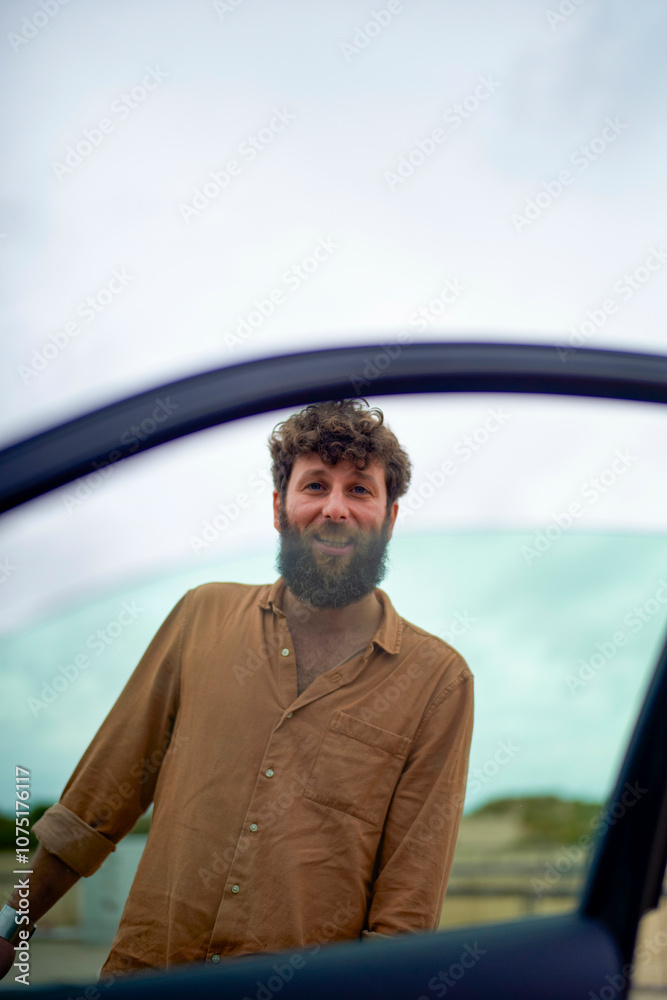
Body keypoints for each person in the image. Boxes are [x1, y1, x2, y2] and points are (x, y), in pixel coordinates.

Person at [0, 398, 474, 979]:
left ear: (390, 517)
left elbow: (408, 900)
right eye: (316, 485)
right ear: (280, 508)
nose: (334, 508)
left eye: (359, 490)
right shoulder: (201, 616)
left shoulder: (439, 680)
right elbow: (96, 801)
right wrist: (10, 928)